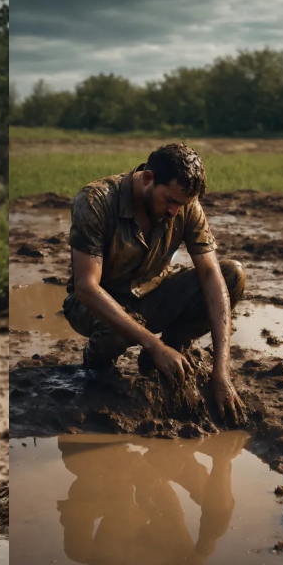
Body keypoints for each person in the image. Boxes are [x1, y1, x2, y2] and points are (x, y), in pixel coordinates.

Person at [64, 142, 246, 425]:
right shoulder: (96, 201)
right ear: (147, 178)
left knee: (233, 274)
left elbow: (212, 277)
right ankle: (97, 362)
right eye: (170, 201)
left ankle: (172, 350)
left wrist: (221, 373)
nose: (175, 212)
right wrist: (152, 344)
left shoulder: (185, 204)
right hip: (95, 302)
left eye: (182, 205)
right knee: (114, 333)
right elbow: (86, 287)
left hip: (152, 292)